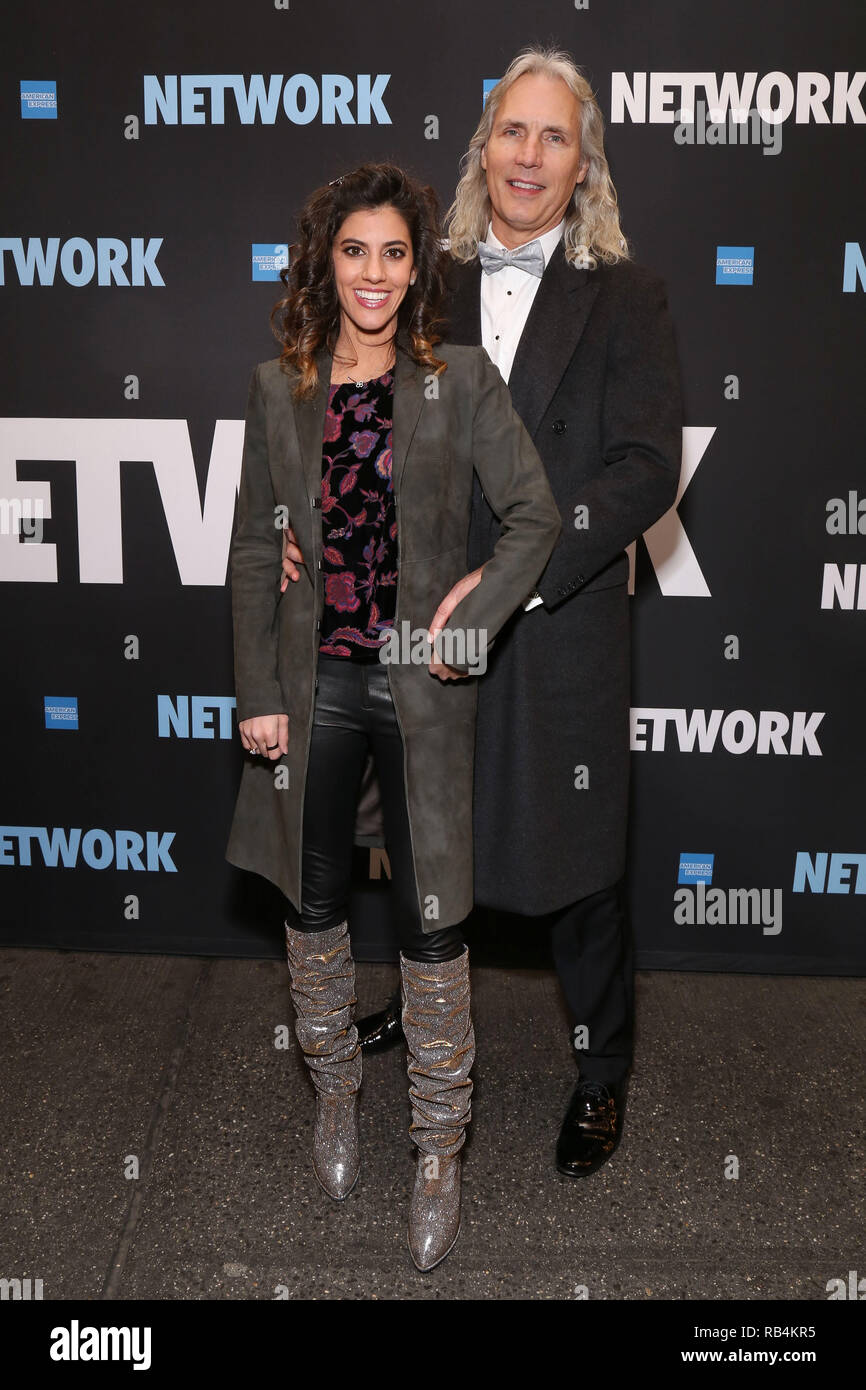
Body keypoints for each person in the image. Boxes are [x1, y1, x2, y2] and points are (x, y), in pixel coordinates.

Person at [282, 47, 683, 1181]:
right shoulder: (423, 277)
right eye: (513, 131)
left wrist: (525, 571)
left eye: (555, 137)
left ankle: (600, 1071)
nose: (529, 155)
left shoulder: (630, 295)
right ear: (482, 149)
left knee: (578, 865)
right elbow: (351, 425)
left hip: (557, 618)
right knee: (424, 840)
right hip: (421, 620)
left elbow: (647, 467)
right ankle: (425, 1004)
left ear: (583, 166)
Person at [225, 162, 560, 1270]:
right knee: (313, 902)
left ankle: (434, 1145)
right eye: (354, 250)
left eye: (395, 253)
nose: (373, 273)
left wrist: (474, 616)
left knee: (429, 925)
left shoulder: (457, 380)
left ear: (418, 270)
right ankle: (333, 1090)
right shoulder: (280, 387)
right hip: (314, 682)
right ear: (327, 261)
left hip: (422, 686)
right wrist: (259, 696)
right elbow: (249, 546)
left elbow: (533, 519)